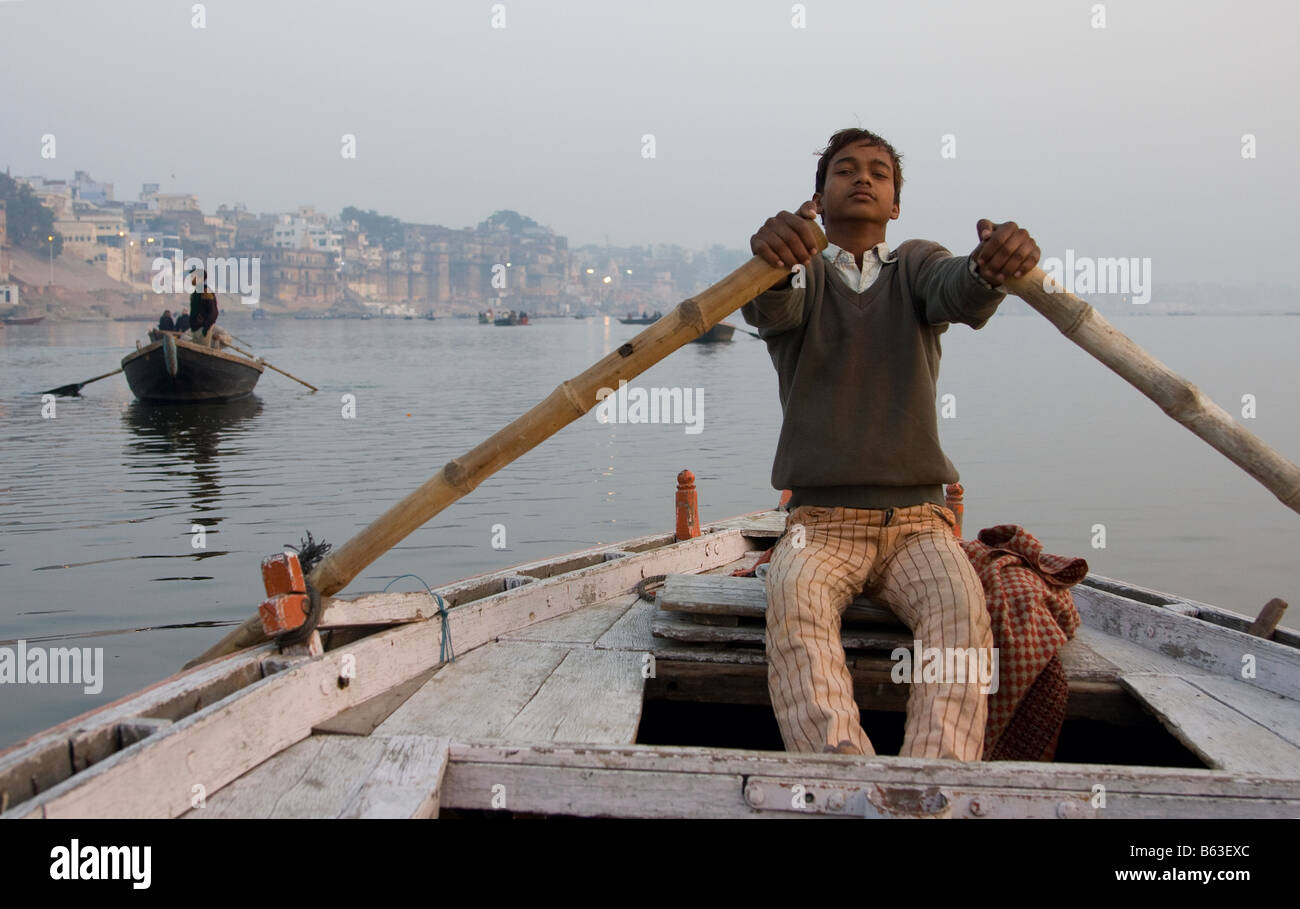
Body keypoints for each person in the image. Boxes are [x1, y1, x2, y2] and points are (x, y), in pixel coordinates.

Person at [740, 128, 1040, 762]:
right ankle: (839, 766)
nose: (863, 178)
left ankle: (938, 777)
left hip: (920, 525)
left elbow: (960, 288)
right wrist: (777, 257)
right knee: (795, 609)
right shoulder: (797, 272)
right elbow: (775, 308)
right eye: (845, 170)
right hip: (816, 526)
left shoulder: (917, 266)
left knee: (960, 613)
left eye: (879, 172)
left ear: (895, 205)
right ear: (818, 196)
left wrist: (991, 266)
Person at [187, 269, 226, 349]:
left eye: (193, 276)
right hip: (195, 329)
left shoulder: (206, 292)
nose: (191, 278)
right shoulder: (195, 293)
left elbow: (213, 312)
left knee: (202, 351)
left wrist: (205, 329)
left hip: (203, 329)